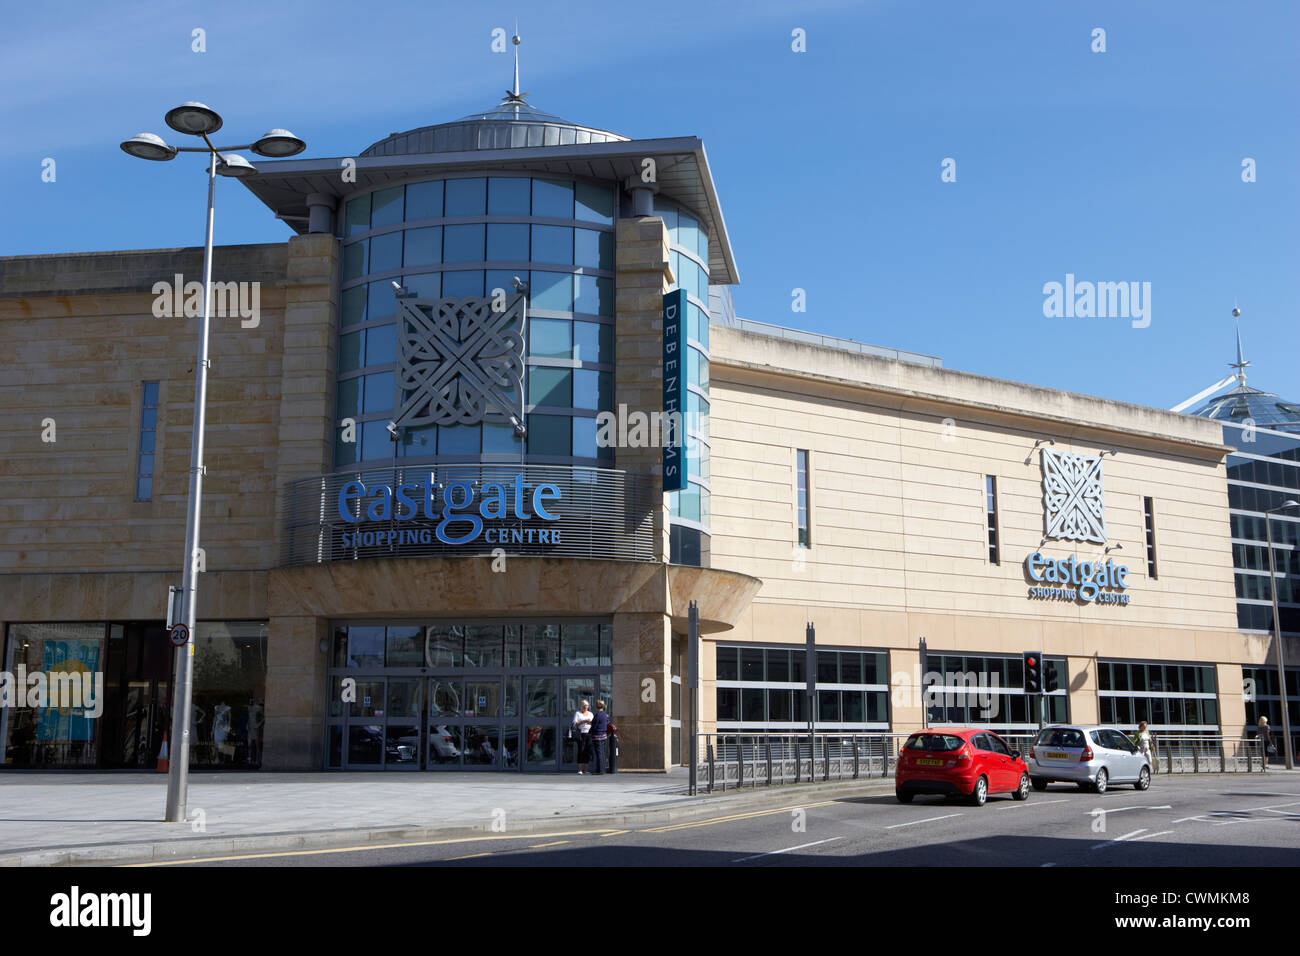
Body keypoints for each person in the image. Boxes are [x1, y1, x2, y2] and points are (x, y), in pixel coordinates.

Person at [572, 699, 594, 774]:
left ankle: (586, 769)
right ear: (581, 706)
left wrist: (590, 722)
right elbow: (575, 724)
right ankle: (580, 769)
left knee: (587, 751)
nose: (585, 707)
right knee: (581, 750)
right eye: (584, 706)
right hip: (581, 734)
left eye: (587, 705)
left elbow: (593, 723)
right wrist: (584, 721)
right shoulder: (578, 713)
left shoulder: (591, 714)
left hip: (589, 734)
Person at [590, 699, 610, 775]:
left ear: (597, 706)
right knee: (602, 753)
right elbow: (607, 723)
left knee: (599, 754)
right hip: (604, 736)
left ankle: (600, 770)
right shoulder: (605, 714)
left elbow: (594, 725)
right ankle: (601, 769)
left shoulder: (597, 715)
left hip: (597, 736)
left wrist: (590, 732)